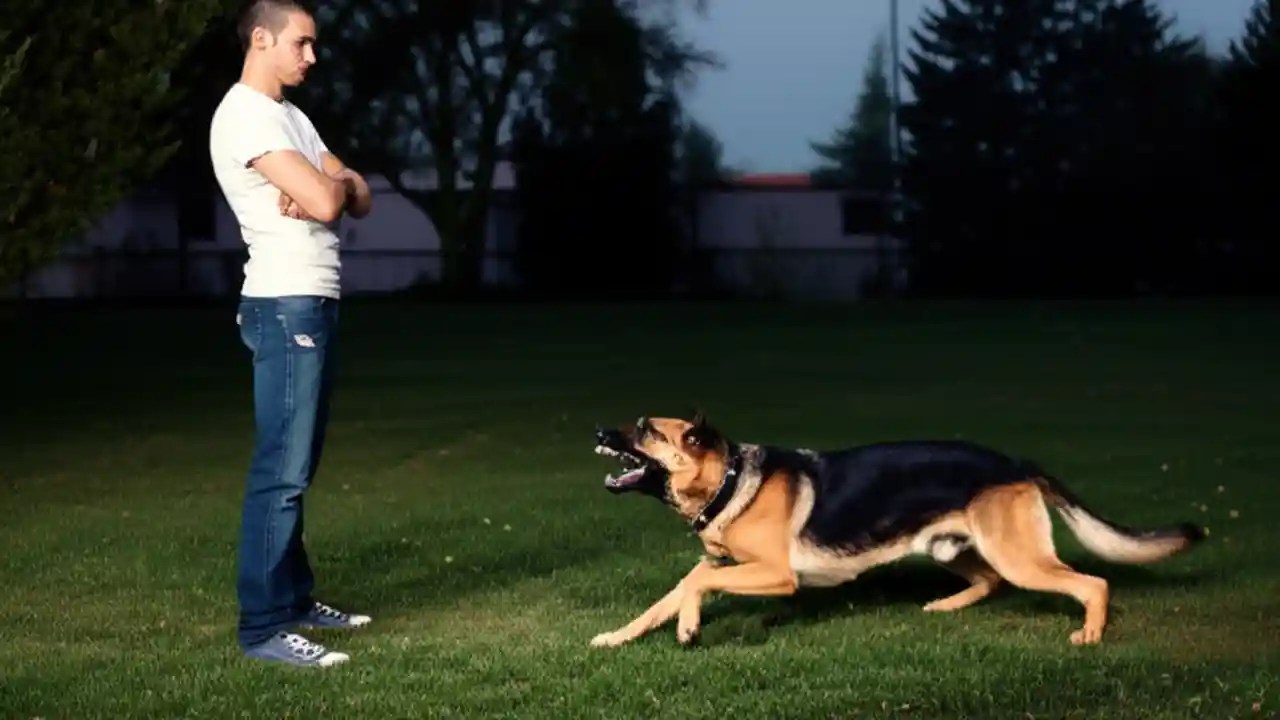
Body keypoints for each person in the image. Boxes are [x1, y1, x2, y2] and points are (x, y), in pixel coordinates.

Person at [209, 0, 373, 667]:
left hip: (314, 299)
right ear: (261, 38)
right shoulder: (245, 114)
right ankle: (263, 627)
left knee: (297, 465)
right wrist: (328, 186)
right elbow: (334, 202)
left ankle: (296, 598)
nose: (312, 56)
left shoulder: (293, 118)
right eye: (302, 44)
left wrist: (330, 179)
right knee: (281, 469)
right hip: (284, 302)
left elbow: (353, 194)